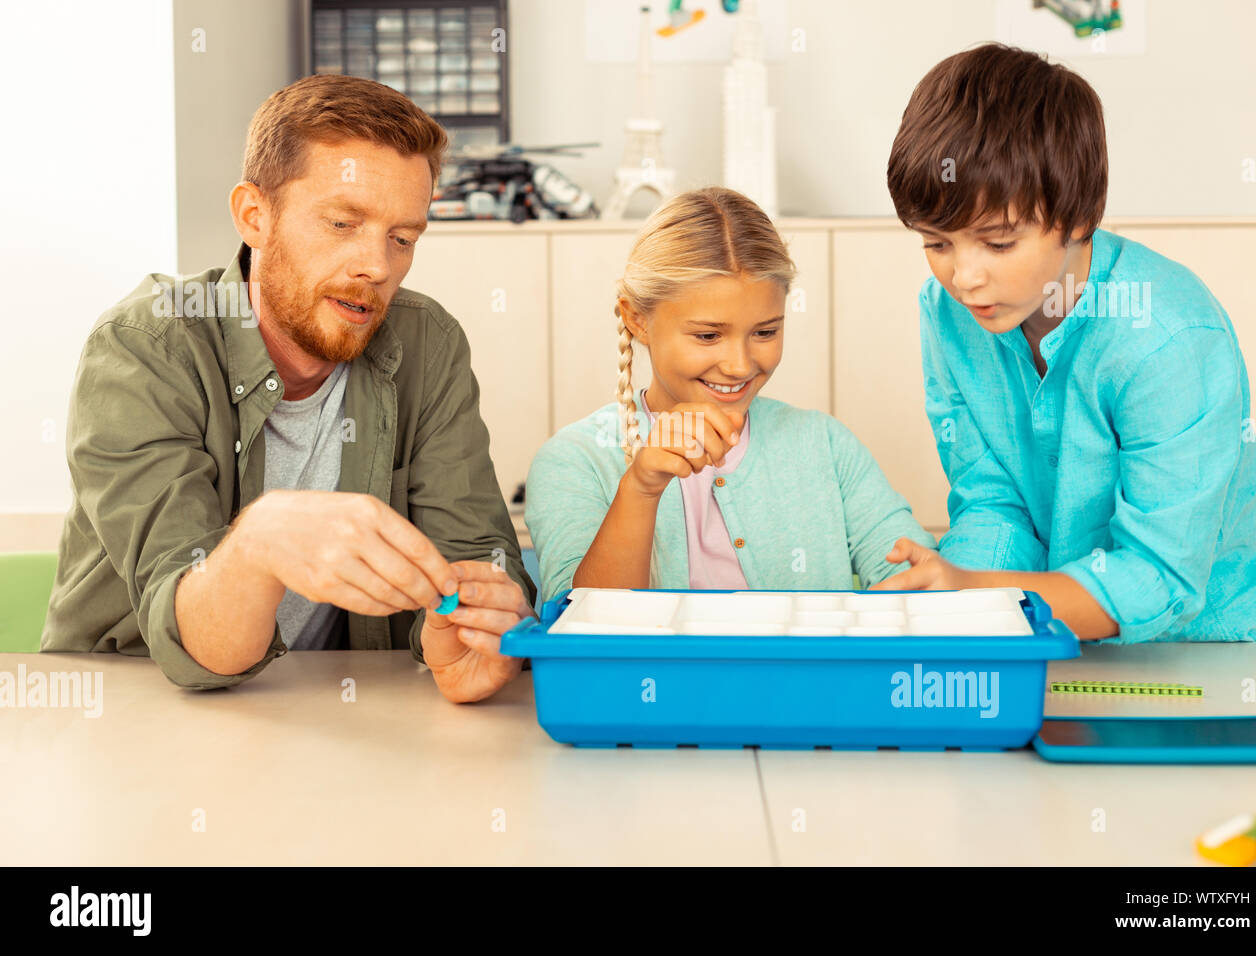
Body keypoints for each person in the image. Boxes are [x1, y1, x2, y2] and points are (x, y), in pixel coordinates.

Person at [41, 75, 537, 701]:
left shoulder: (428, 342)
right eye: (340, 223)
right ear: (255, 216)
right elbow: (190, 638)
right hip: (135, 710)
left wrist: (471, 629)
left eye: (403, 238)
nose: (377, 267)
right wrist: (260, 540)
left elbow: (474, 557)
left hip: (342, 717)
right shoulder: (146, 344)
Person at [877, 44, 1256, 642]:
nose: (964, 277)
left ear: (1078, 217)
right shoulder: (948, 314)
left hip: (1191, 661)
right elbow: (991, 501)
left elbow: (1159, 578)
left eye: (999, 243)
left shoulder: (1168, 340)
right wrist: (959, 598)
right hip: (1033, 644)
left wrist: (978, 594)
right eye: (936, 244)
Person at [525, 187, 933, 605]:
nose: (739, 365)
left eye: (765, 332)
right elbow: (583, 632)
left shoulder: (825, 445)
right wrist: (641, 489)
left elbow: (919, 581)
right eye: (707, 335)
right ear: (637, 320)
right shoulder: (573, 461)